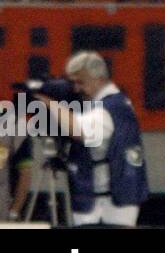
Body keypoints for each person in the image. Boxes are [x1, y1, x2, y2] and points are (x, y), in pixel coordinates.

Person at [35, 51, 147, 227]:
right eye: (73, 82)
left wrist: (48, 102)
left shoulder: (112, 107)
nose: (76, 89)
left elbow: (82, 132)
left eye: (81, 82)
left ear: (100, 79)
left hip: (110, 207)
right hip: (98, 201)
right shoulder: (105, 105)